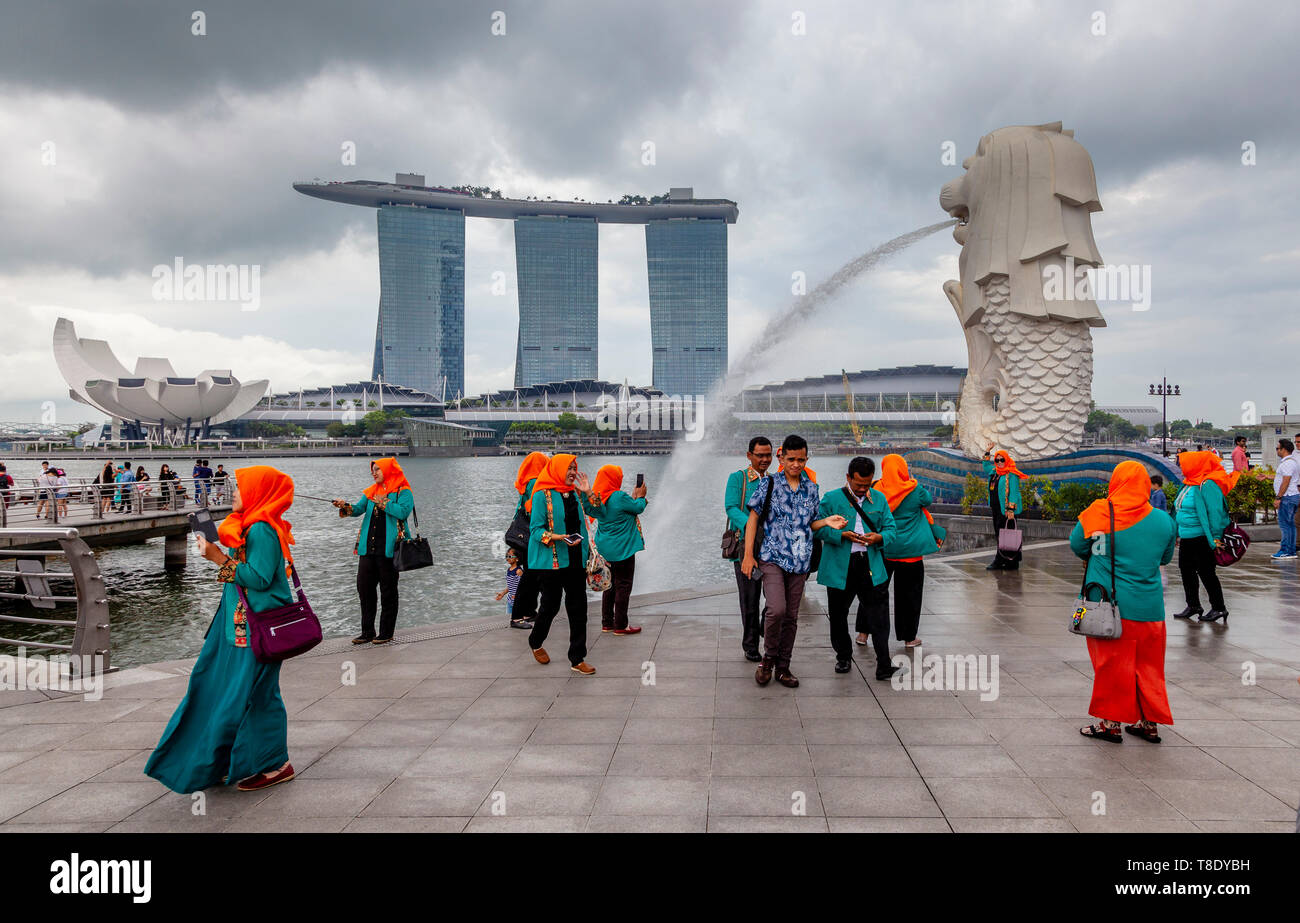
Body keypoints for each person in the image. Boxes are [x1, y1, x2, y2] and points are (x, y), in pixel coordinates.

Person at [144, 465, 297, 793]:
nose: (234, 494)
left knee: (259, 695)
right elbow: (242, 575)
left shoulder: (261, 530)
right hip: (235, 624)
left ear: (257, 492)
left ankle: (276, 764)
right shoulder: (247, 526)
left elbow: (258, 578)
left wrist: (217, 559)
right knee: (226, 692)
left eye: (241, 489)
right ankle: (226, 759)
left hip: (255, 628)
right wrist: (216, 552)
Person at [1076, 460, 1178, 743]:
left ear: (1116, 482)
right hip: (1150, 608)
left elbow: (1078, 544)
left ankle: (1110, 725)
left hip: (1108, 606)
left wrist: (1101, 550)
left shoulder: (1099, 511)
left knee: (1111, 665)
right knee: (1150, 667)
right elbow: (1165, 558)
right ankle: (1148, 724)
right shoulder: (1163, 520)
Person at [741, 435, 846, 688]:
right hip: (772, 558)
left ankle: (783, 667)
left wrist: (827, 521)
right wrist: (747, 555)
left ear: (806, 459)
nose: (796, 464)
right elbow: (753, 519)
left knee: (791, 616)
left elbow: (810, 523)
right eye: (791, 459)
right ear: (781, 458)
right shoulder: (768, 484)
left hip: (801, 561)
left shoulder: (811, 488)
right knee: (776, 609)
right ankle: (768, 659)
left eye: (801, 459)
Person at [815, 456, 897, 676]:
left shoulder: (879, 499)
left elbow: (891, 528)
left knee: (879, 616)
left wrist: (878, 538)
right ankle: (843, 657)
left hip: (870, 564)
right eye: (858, 484)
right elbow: (817, 528)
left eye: (867, 484)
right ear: (848, 477)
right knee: (838, 615)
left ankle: (884, 664)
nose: (862, 489)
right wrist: (841, 534)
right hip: (840, 565)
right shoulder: (831, 499)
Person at [526, 454, 597, 675]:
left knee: (579, 610)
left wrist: (587, 492)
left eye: (575, 468)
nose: (573, 472)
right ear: (557, 469)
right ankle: (535, 641)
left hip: (576, 560)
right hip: (553, 562)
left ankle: (577, 658)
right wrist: (559, 537)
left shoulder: (576, 494)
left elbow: (596, 512)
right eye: (569, 468)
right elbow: (535, 530)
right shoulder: (541, 495)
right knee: (551, 605)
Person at [332, 458, 415, 644]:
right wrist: (345, 506)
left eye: (378, 469)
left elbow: (403, 512)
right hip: (367, 550)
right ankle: (367, 631)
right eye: (373, 470)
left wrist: (383, 503)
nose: (374, 473)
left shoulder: (403, 491)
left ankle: (386, 633)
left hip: (390, 550)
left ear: (388, 470)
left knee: (388, 592)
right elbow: (358, 509)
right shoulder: (371, 492)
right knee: (365, 590)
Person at [875, 454, 941, 651]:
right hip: (911, 553)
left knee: (875, 592)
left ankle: (863, 632)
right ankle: (908, 637)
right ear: (903, 469)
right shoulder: (914, 489)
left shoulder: (877, 489)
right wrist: (911, 481)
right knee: (909, 596)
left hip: (885, 549)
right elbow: (928, 500)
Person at [1172, 450, 1239, 622]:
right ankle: (1193, 605)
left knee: (1207, 572)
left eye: (1184, 463)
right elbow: (1178, 509)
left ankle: (1219, 607)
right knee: (1186, 571)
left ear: (1196, 465)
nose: (1181, 467)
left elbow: (1215, 513)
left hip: (1203, 537)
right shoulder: (1188, 484)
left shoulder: (1207, 484)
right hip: (1187, 537)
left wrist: (1215, 538)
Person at [724, 436, 772, 662]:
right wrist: (751, 527)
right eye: (760, 455)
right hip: (746, 546)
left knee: (773, 597)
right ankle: (751, 645)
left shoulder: (775, 480)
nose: (764, 459)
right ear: (749, 455)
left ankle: (765, 624)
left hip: (772, 547)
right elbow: (731, 507)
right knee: (750, 599)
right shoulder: (739, 478)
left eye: (768, 455)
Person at [587, 464, 647, 635]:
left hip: (605, 549)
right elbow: (638, 508)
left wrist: (634, 498)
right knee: (623, 585)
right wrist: (641, 497)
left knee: (609, 585)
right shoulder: (618, 496)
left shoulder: (598, 498)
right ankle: (621, 625)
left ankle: (607, 623)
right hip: (623, 549)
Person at [509, 452, 549, 630]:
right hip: (532, 538)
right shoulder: (535, 482)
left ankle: (529, 612)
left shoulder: (526, 481)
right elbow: (537, 511)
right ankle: (517, 617)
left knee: (533, 576)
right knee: (529, 577)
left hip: (524, 537)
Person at [982, 446, 1024, 570]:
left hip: (1006, 511)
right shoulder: (994, 472)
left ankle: (1003, 561)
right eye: (997, 460)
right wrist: (987, 452)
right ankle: (1007, 561)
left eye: (1002, 460)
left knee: (1008, 535)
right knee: (1000, 535)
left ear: (1007, 460)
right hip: (996, 509)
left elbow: (1014, 493)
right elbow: (985, 466)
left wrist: (1011, 510)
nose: (1000, 463)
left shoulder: (1011, 474)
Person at [1272, 438, 1299, 560]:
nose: (1277, 451)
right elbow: (1282, 477)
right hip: (1292, 496)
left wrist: (1279, 497)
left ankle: (1286, 550)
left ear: (1284, 449)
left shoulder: (1288, 463)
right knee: (1290, 524)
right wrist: (1267, 476)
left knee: (1285, 525)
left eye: (1278, 448)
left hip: (1287, 497)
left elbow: (1286, 481)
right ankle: (1291, 550)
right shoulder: (1290, 462)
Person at [496, 548, 524, 621]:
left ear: (517, 559)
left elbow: (523, 586)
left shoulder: (518, 571)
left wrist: (518, 596)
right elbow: (510, 586)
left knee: (519, 618)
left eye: (510, 556)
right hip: (510, 600)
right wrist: (502, 593)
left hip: (518, 600)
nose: (508, 558)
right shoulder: (509, 570)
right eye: (507, 556)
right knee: (509, 618)